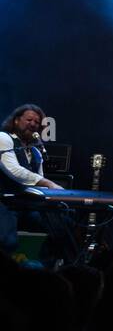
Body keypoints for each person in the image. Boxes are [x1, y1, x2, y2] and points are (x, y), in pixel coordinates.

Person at [1, 104, 75, 262]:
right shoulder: (4, 138)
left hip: (24, 205)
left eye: (36, 122)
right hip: (3, 202)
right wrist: (49, 183)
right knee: (7, 241)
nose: (33, 124)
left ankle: (49, 268)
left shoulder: (35, 152)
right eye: (29, 119)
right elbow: (14, 170)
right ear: (16, 121)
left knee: (62, 225)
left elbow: (36, 182)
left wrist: (56, 196)